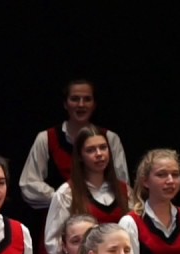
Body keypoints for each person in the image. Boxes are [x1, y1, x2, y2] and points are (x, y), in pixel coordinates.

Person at [19, 80, 129, 213]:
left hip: (104, 217)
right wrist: (64, 199)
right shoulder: (47, 138)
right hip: (62, 217)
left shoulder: (110, 138)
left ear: (94, 104)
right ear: (65, 104)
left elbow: (122, 183)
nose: (81, 104)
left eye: (87, 99)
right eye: (75, 99)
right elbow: (29, 184)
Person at [43, 125, 129, 254]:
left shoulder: (124, 191)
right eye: (90, 150)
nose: (99, 154)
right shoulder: (67, 193)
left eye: (103, 147)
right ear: (80, 156)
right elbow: (54, 241)